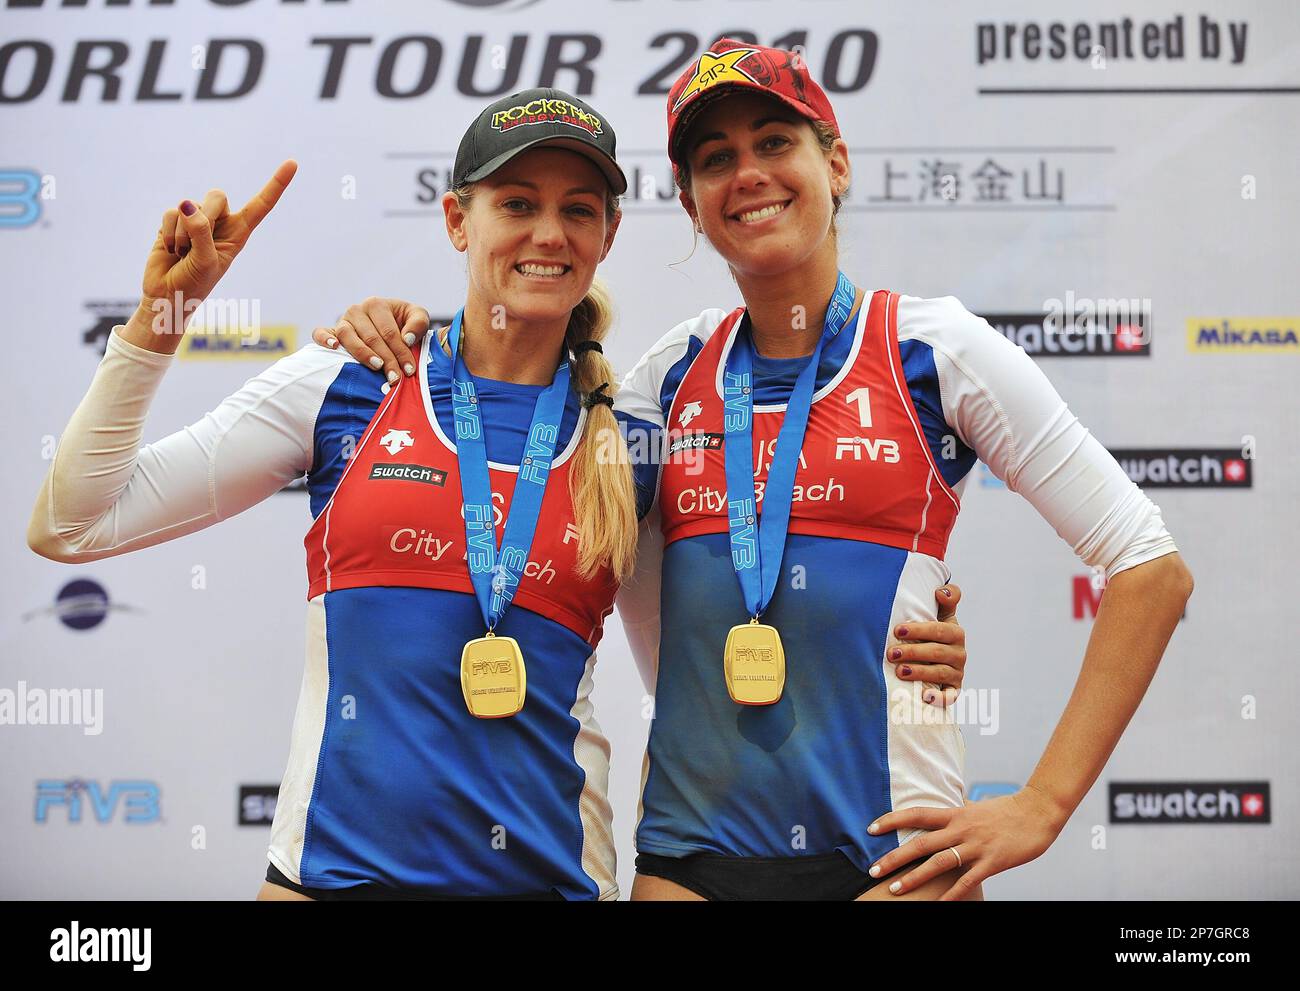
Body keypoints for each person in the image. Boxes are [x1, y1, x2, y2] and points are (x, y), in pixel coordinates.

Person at [323, 40, 1193, 902]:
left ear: (836, 162)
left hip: (893, 859)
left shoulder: (935, 349)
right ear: (693, 207)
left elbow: (1150, 567)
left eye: (774, 142)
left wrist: (1039, 805)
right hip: (688, 862)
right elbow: (511, 448)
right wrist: (400, 332)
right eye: (715, 158)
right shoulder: (664, 381)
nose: (748, 173)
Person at [29, 89, 642, 900]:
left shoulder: (626, 438)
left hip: (555, 882)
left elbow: (716, 660)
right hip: (329, 881)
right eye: (517, 203)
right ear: (458, 220)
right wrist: (162, 313)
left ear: (609, 234)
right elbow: (74, 523)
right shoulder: (355, 380)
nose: (548, 233)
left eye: (578, 209)